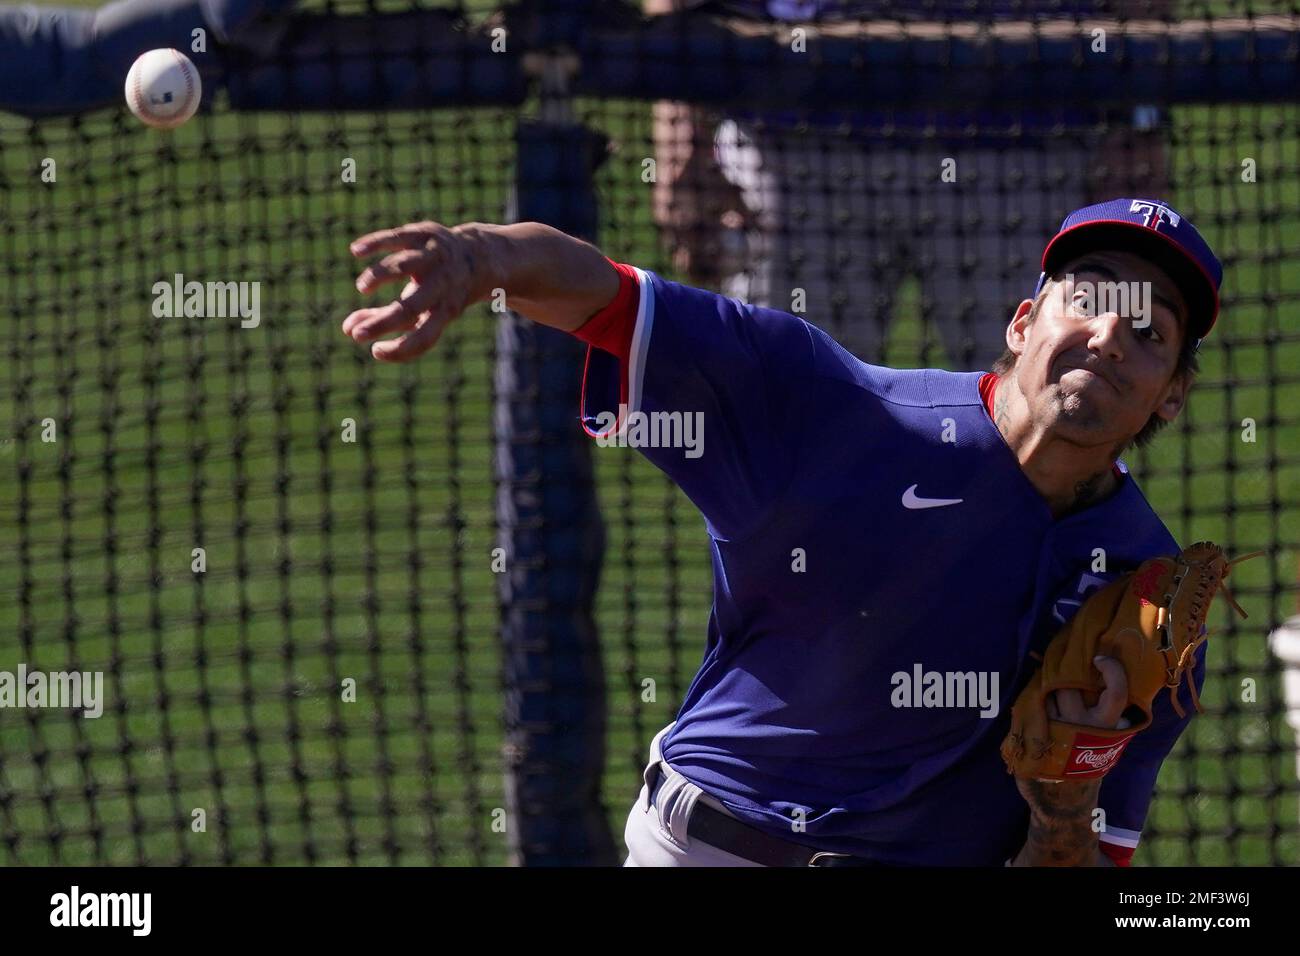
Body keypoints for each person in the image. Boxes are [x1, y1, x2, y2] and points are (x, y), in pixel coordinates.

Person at [341, 196, 1222, 866]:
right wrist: (478, 255)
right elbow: (607, 295)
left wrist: (1064, 803)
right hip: (709, 848)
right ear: (1025, 321)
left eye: (1148, 332)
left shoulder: (1148, 612)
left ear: (1172, 393)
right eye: (1088, 302)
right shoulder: (834, 409)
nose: (1109, 335)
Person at [648, 0, 1171, 370]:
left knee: (1046, 431)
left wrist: (1140, 121)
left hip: (1024, 136)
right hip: (793, 143)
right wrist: (679, 132)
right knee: (786, 426)